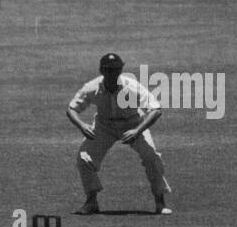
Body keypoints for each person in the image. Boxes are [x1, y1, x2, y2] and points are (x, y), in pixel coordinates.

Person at [66, 53, 171, 215]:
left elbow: (156, 110)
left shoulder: (132, 86)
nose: (111, 74)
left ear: (121, 70)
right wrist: (82, 125)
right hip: (104, 126)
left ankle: (160, 203)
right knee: (84, 158)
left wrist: (138, 130)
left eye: (115, 70)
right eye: (108, 70)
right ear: (101, 70)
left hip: (133, 123)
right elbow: (71, 109)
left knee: (152, 158)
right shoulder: (92, 87)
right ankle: (91, 201)